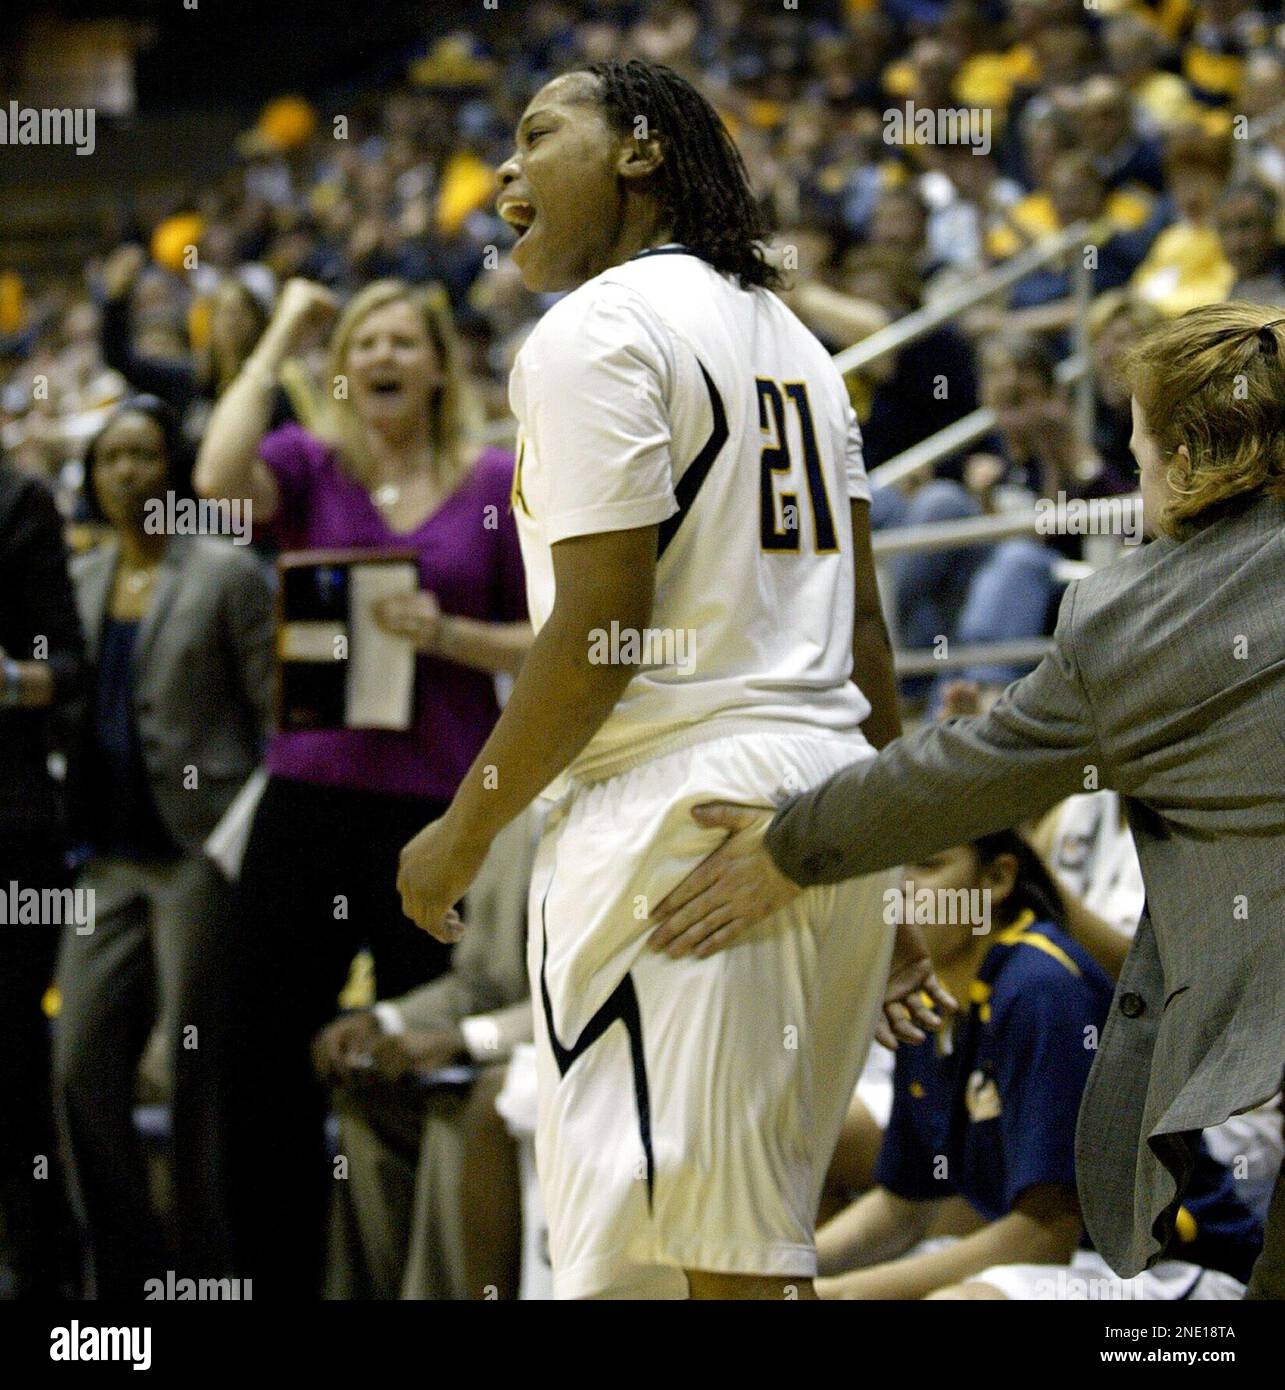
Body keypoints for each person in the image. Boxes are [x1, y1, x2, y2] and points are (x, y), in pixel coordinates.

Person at [394, 58, 949, 1301]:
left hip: (682, 818)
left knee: (692, 1276)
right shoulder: (799, 345)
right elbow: (864, 629)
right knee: (745, 1260)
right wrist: (886, 854)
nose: (503, 173)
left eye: (539, 135)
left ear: (642, 150)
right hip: (820, 802)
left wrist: (463, 827)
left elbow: (599, 629)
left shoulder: (593, 330)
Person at [648, 301, 1285, 1299]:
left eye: (1138, 451)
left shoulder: (1146, 617)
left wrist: (790, 844)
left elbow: (959, 773)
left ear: (1192, 458)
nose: (1134, 477)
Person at [194, 276, 530, 1297]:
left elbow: (552, 636)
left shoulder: (492, 479)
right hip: (308, 796)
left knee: (413, 1050)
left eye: (402, 339)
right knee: (257, 1053)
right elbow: (214, 484)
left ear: (436, 362)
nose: (382, 355)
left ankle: (417, 1276)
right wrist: (277, 339)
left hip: (436, 810)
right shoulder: (306, 463)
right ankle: (277, 1280)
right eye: (362, 339)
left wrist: (452, 636)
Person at [817, 831, 1259, 1300]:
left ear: (997, 878)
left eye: (927, 865)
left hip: (1178, 1270)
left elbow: (1046, 1234)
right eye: (888, 870)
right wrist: (787, 1274)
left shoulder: (1039, 987)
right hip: (1066, 1264)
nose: (900, 889)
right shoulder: (926, 993)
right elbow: (903, 1206)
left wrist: (839, 1292)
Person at [55, 395, 274, 1297]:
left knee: (194, 1070)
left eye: (145, 456)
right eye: (111, 459)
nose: (128, 474)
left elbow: (275, 727)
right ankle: (126, 1274)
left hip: (195, 855)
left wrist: (239, 847)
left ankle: (205, 1272)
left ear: (173, 468)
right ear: (92, 477)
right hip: (104, 859)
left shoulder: (226, 572)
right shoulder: (79, 580)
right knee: (78, 1066)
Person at [317, 807, 536, 1300]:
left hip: (582, 1059)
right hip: (506, 1048)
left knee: (454, 1114)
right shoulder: (515, 812)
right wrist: (382, 1020)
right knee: (368, 1105)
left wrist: (465, 1040)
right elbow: (479, 980)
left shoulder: (615, 806)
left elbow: (589, 1005)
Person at [0, 454, 85, 1298]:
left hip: (13, 828)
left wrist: (7, 680)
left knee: (14, 1062)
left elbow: (67, 668)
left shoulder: (17, 500)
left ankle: (46, 1273)